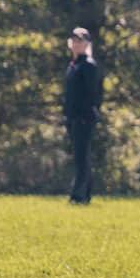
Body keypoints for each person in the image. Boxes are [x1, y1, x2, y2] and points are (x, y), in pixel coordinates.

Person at [63, 27, 103, 205]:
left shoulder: (88, 65)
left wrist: (85, 114)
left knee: (82, 156)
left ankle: (78, 195)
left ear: (87, 44)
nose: (77, 44)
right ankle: (84, 193)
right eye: (74, 41)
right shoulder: (73, 65)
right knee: (80, 156)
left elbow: (94, 94)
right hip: (73, 117)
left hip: (84, 117)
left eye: (80, 41)